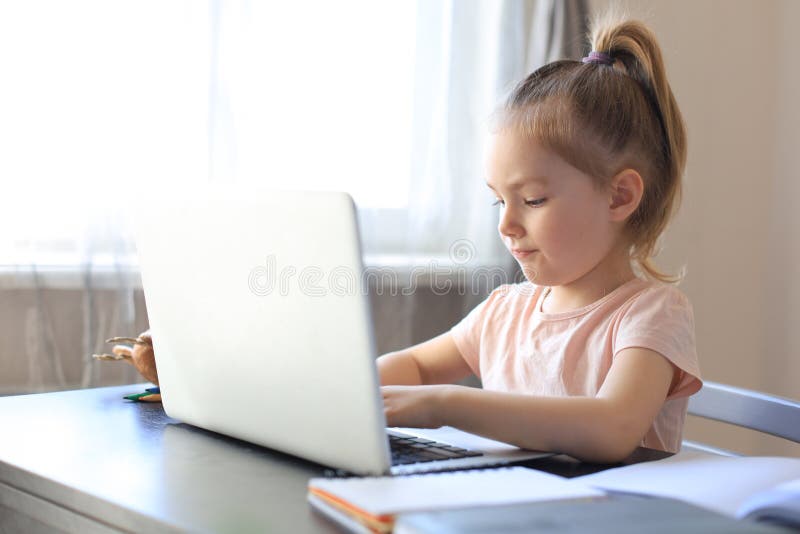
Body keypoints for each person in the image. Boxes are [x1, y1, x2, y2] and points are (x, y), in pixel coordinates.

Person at [377, 15, 701, 463]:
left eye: (532, 200)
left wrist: (445, 404)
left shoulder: (652, 315)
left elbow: (612, 429)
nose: (506, 224)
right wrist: (360, 387)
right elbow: (415, 366)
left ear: (619, 196)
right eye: (499, 201)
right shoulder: (504, 312)